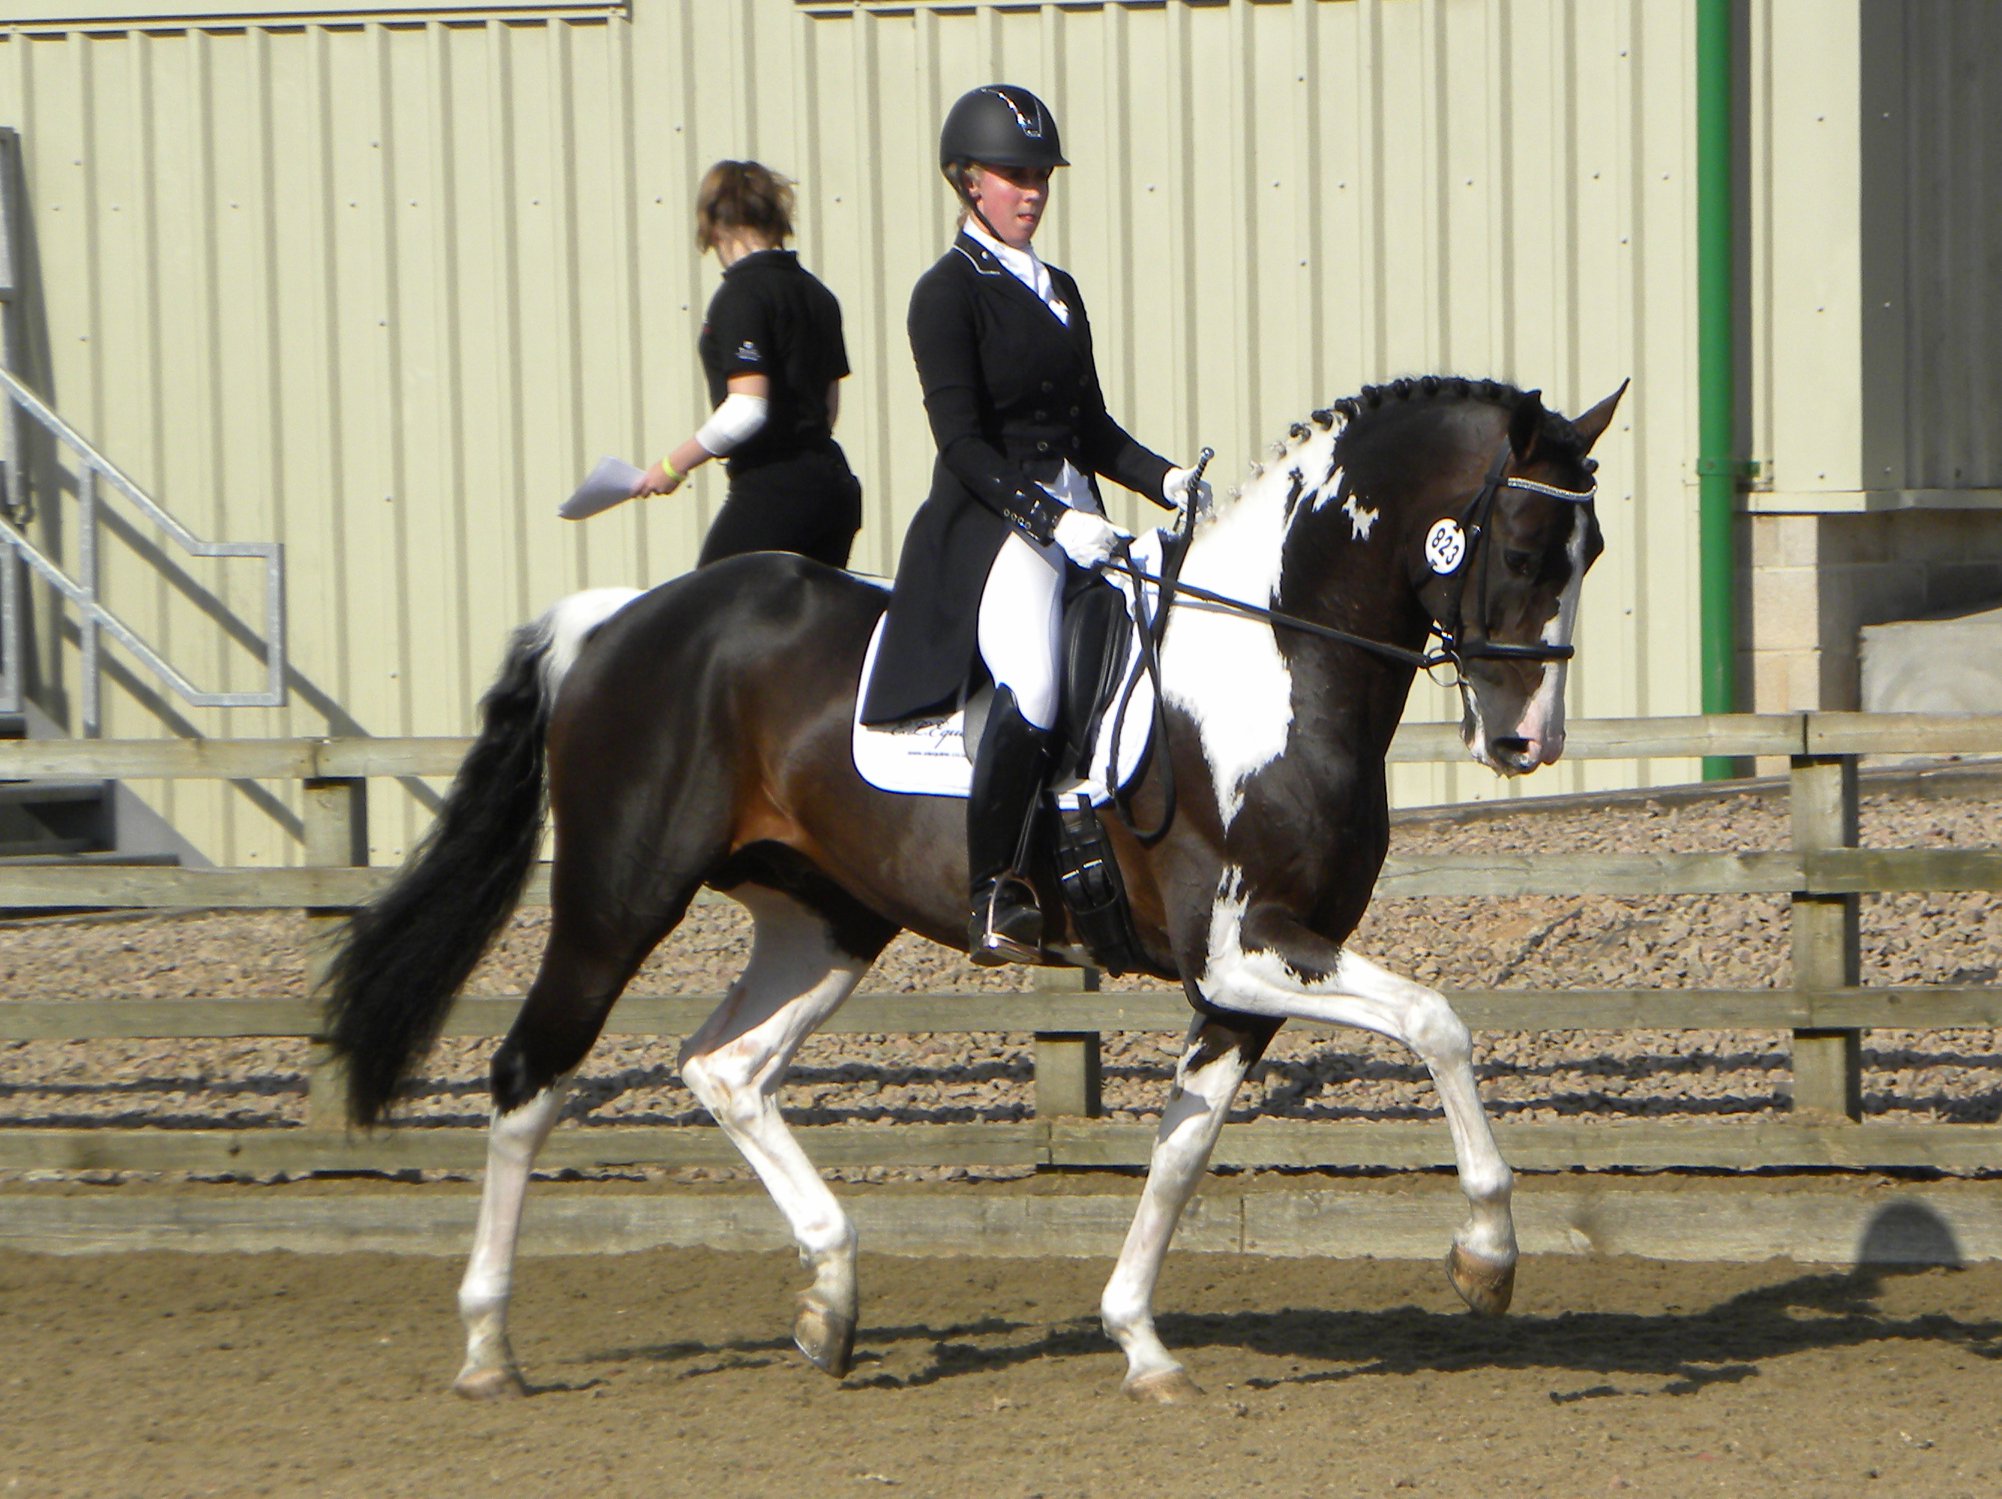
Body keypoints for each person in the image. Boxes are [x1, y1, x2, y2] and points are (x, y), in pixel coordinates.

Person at [860, 84, 1210, 966]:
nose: (1032, 192)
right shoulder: (947, 293)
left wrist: (1163, 478)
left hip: (1077, 516)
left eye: (1040, 177)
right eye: (1013, 176)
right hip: (994, 530)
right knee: (1040, 684)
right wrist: (1051, 519)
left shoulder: (1060, 289)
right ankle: (996, 890)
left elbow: (1090, 428)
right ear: (968, 182)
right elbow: (962, 444)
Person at [629, 160, 862, 569]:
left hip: (774, 490)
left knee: (700, 617)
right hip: (833, 489)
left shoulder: (741, 296)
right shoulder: (818, 295)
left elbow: (746, 410)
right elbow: (828, 410)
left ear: (714, 225)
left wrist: (672, 466)